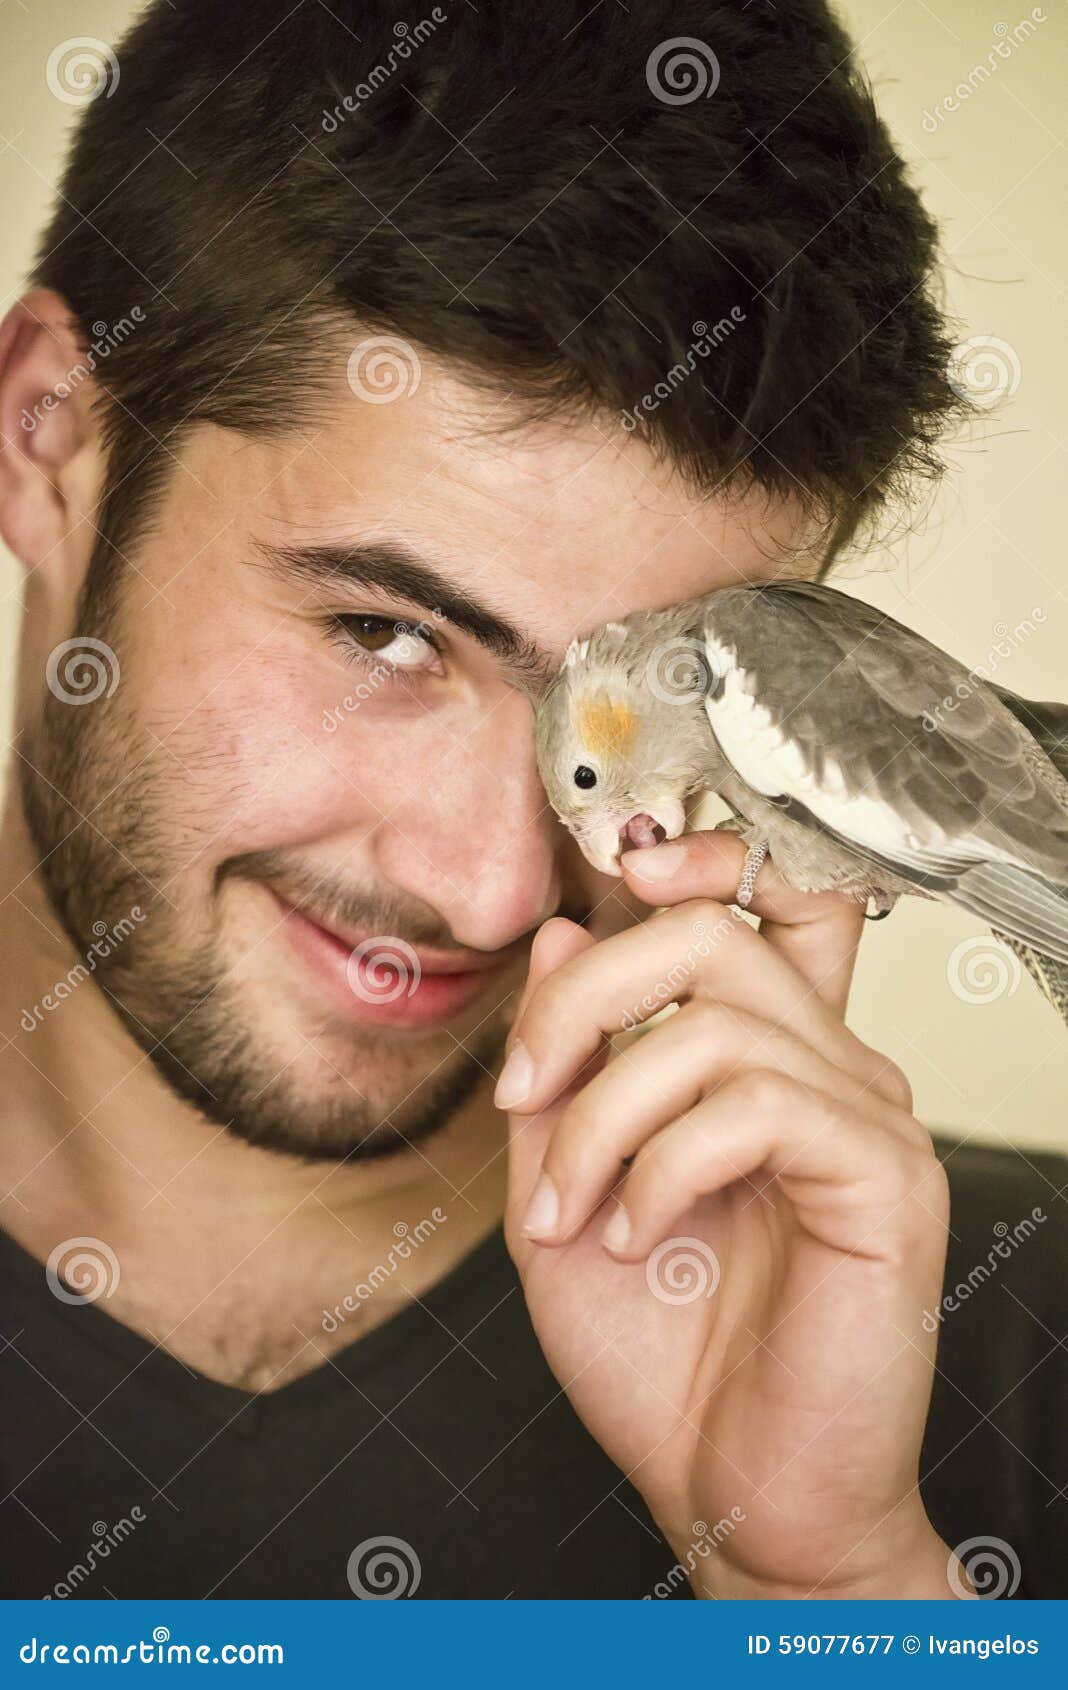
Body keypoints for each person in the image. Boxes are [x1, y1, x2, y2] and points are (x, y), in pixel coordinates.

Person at [1, 0, 1064, 1601]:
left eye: (668, 716)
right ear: (46, 441)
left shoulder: (1007, 1338)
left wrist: (829, 1593)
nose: (502, 885)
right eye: (384, 633)